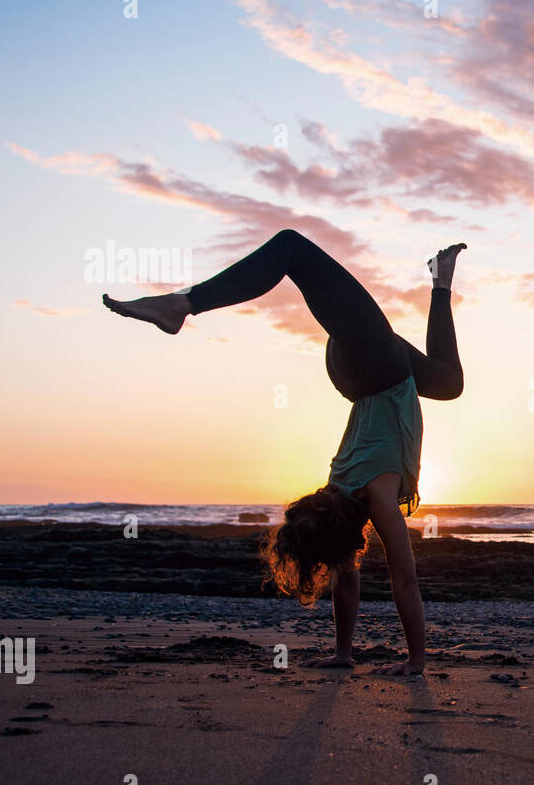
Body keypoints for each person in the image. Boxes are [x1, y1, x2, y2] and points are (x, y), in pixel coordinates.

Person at [102, 229, 466, 676]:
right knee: (448, 384)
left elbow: (394, 578)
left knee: (293, 249)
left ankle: (182, 305)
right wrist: (392, 659)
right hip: (367, 372)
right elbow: (390, 579)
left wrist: (401, 658)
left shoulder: (363, 493)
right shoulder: (349, 486)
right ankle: (440, 280)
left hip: (374, 367)